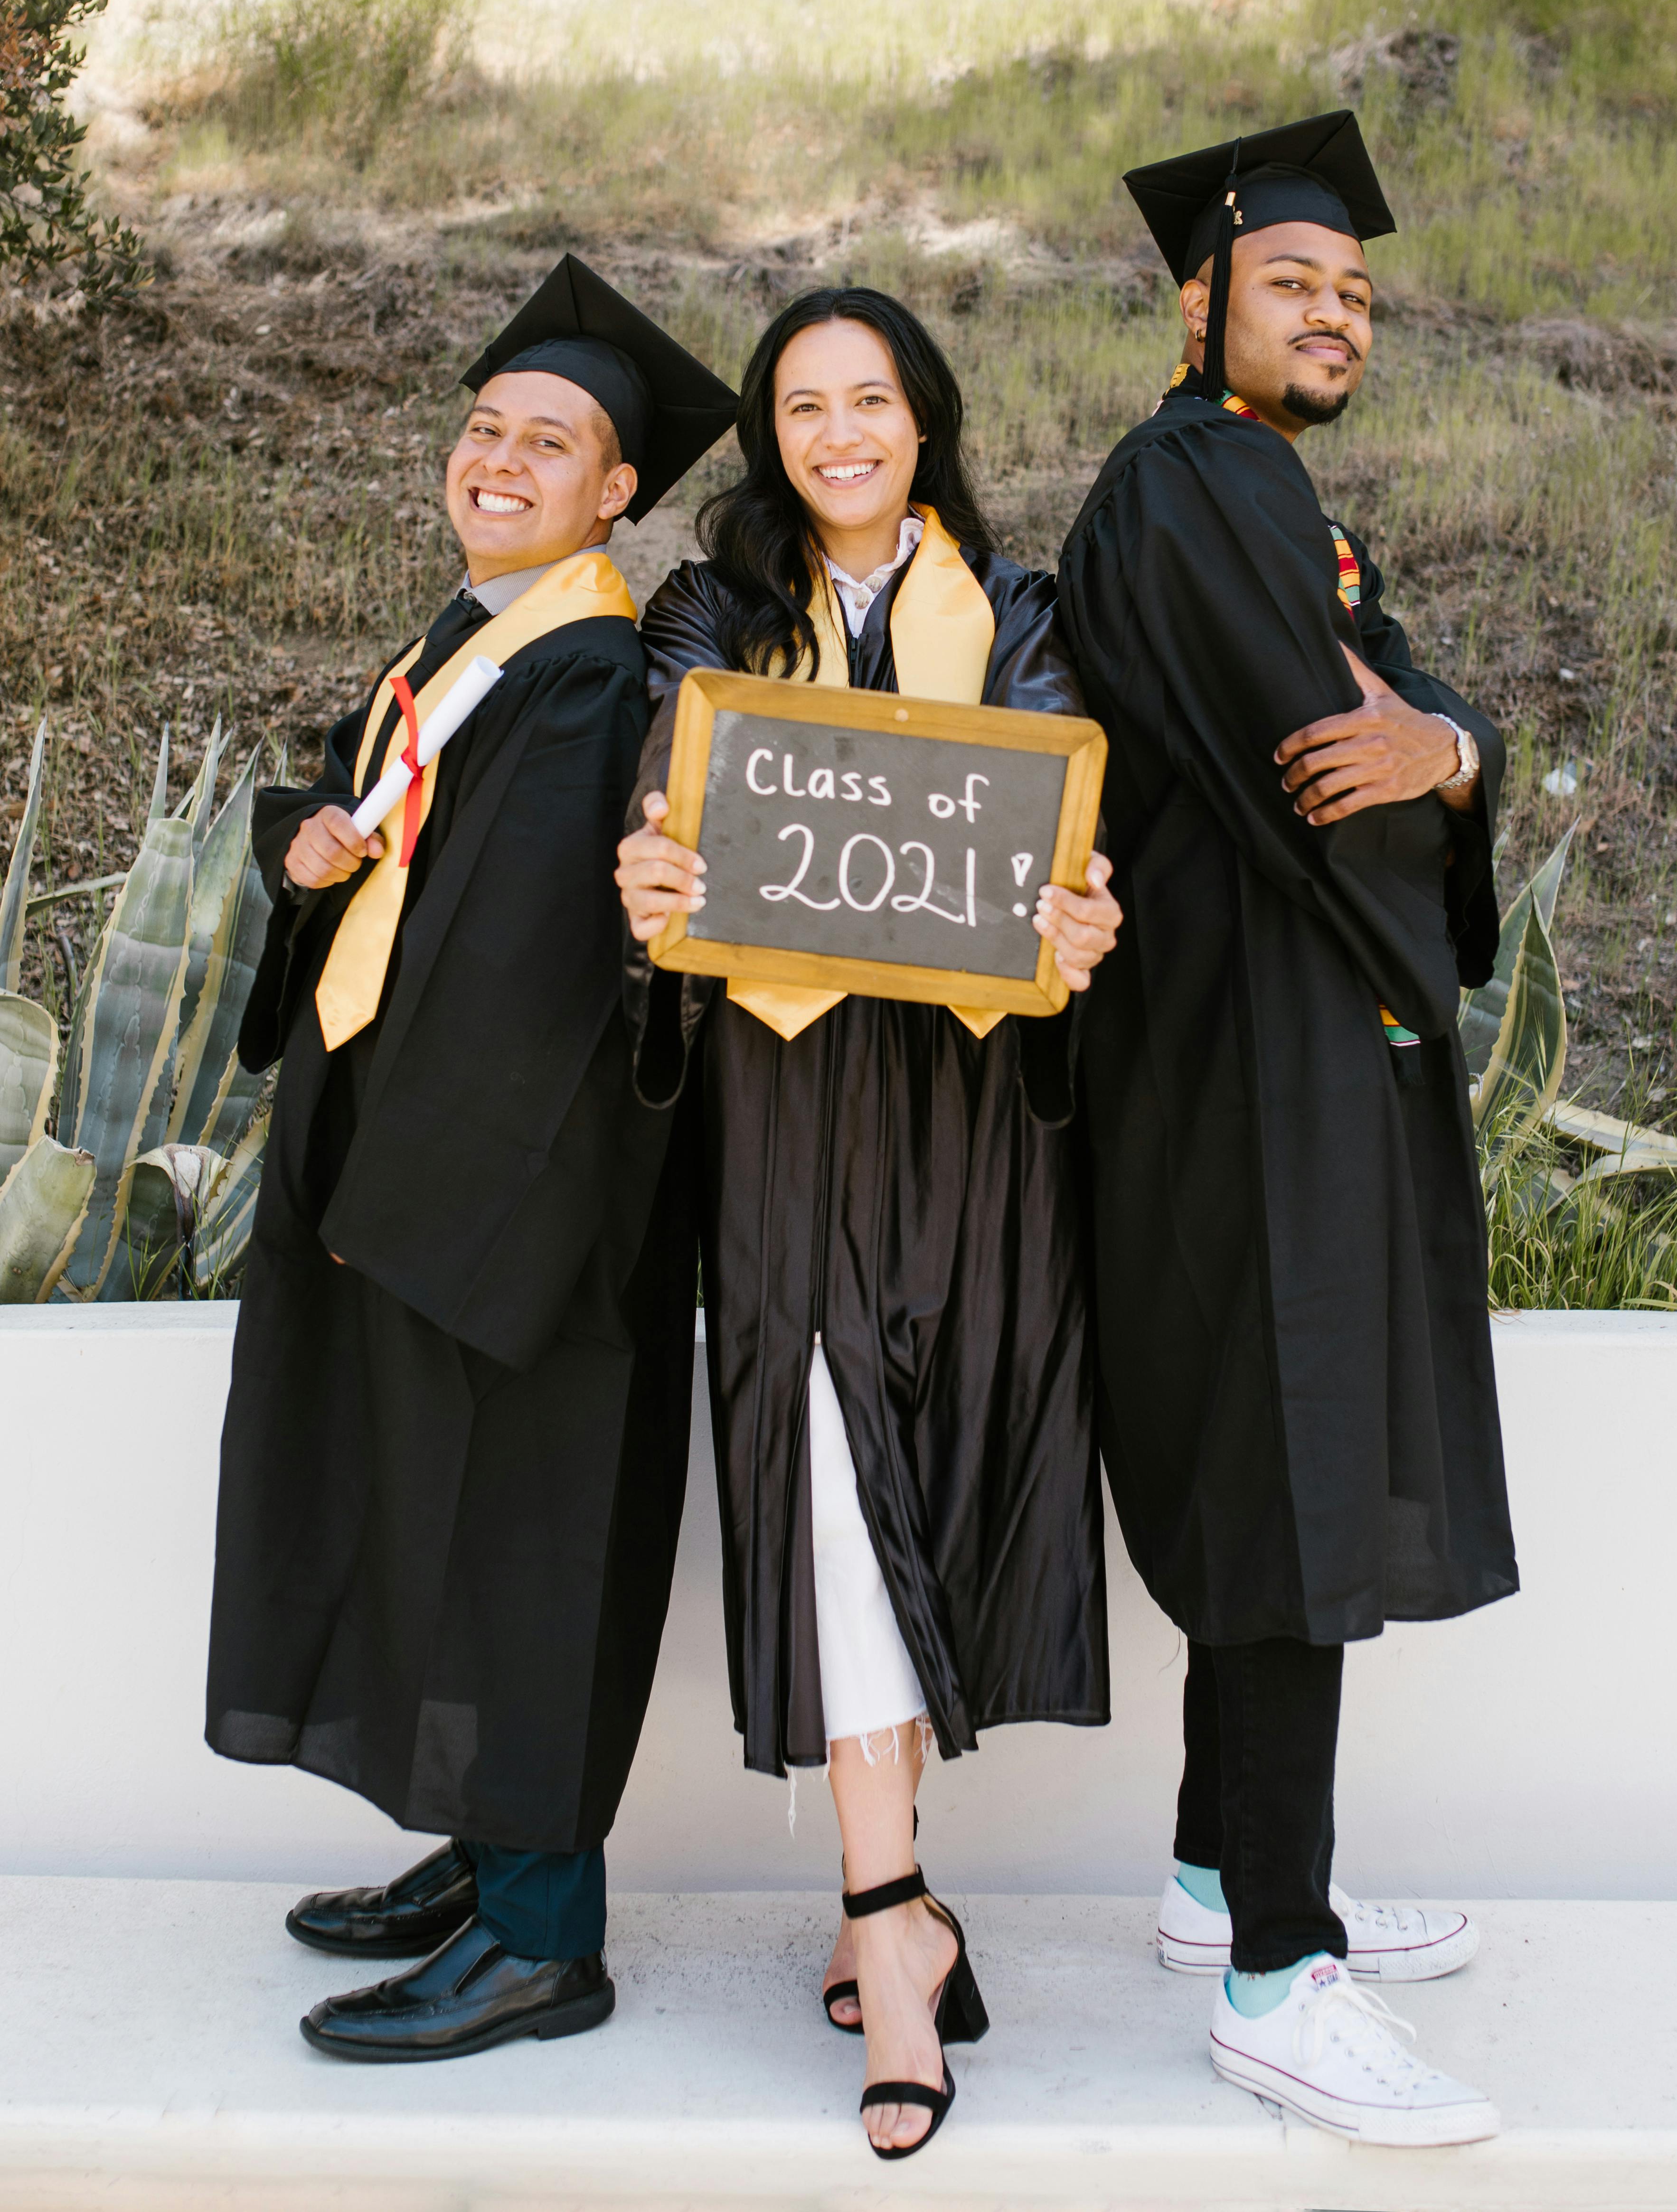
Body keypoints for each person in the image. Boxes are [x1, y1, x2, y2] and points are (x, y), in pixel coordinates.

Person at [205, 255, 737, 2063]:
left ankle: (541, 1937)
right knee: (431, 1520)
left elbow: (535, 982)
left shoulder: (592, 680)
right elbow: (405, 881)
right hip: (411, 1179)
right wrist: (311, 851)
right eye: (485, 428)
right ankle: (480, 1849)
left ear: (621, 495)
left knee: (525, 1537)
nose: (501, 459)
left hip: (518, 1216)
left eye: (553, 441)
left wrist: (404, 1199)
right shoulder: (466, 648)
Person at [615, 286, 1120, 2160]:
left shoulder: (1028, 610)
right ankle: (890, 1928)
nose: (838, 434)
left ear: (926, 419)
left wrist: (1078, 921)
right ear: (770, 434)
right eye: (803, 406)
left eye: (872, 400)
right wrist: (652, 873)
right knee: (825, 1478)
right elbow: (667, 807)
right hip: (787, 1109)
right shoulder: (710, 611)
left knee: (926, 1472)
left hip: (968, 1117)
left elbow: (1067, 826)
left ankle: (894, 1897)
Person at [1055, 114, 1516, 2149]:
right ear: (1197, 301)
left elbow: (1403, 712)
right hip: (1238, 1059)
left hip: (1264, 1048)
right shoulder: (1194, 482)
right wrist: (1421, 750)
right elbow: (1322, 760)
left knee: (1279, 1459)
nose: (1335, 313)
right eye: (1295, 283)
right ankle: (1277, 1972)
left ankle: (1207, 1878)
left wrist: (1457, 742)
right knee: (1289, 1480)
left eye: (1355, 295)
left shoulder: (1261, 488)